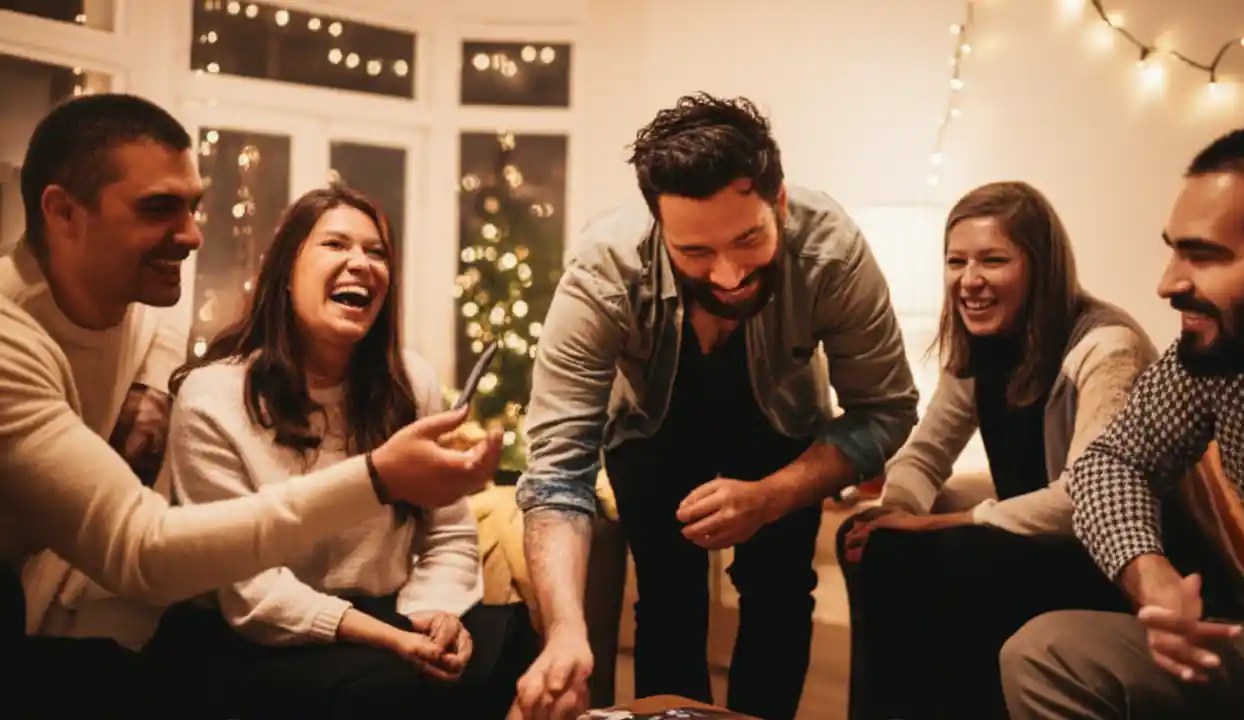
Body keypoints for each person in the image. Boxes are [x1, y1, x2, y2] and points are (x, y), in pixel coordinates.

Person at [0, 94, 502, 713]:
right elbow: (141, 547)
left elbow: (448, 534)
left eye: (194, 207)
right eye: (159, 208)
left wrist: (431, 612)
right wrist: (376, 477)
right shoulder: (13, 345)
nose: (191, 234)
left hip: (129, 617)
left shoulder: (155, 310)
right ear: (62, 212)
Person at [514, 93, 919, 720]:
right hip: (649, 433)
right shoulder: (602, 274)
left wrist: (772, 496)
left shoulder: (832, 251)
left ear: (779, 202)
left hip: (782, 434)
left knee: (780, 595)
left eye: (749, 239)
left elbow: (887, 410)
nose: (728, 275)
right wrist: (566, 630)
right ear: (657, 226)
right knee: (668, 600)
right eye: (695, 253)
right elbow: (557, 474)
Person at [149, 185, 535, 718]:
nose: (361, 263)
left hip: (387, 616)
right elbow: (249, 591)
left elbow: (447, 531)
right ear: (286, 272)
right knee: (390, 690)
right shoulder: (212, 396)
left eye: (376, 253)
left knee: (513, 640)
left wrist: (437, 614)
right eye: (336, 245)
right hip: (258, 635)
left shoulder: (410, 381)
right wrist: (389, 639)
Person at [834, 181, 1156, 719]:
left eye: (993, 260)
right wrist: (894, 513)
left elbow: (1082, 503)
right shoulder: (980, 347)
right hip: (1023, 542)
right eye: (956, 261)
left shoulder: (1105, 347)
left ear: (1041, 267)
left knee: (963, 557)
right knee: (870, 542)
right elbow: (925, 453)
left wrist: (939, 524)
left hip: (1108, 559)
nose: (970, 280)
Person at [999, 124, 1244, 719]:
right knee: (1046, 653)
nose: (1168, 283)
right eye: (1175, 249)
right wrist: (1148, 575)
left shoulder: (1102, 341)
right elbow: (1111, 460)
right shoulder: (1213, 363)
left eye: (1204, 255)